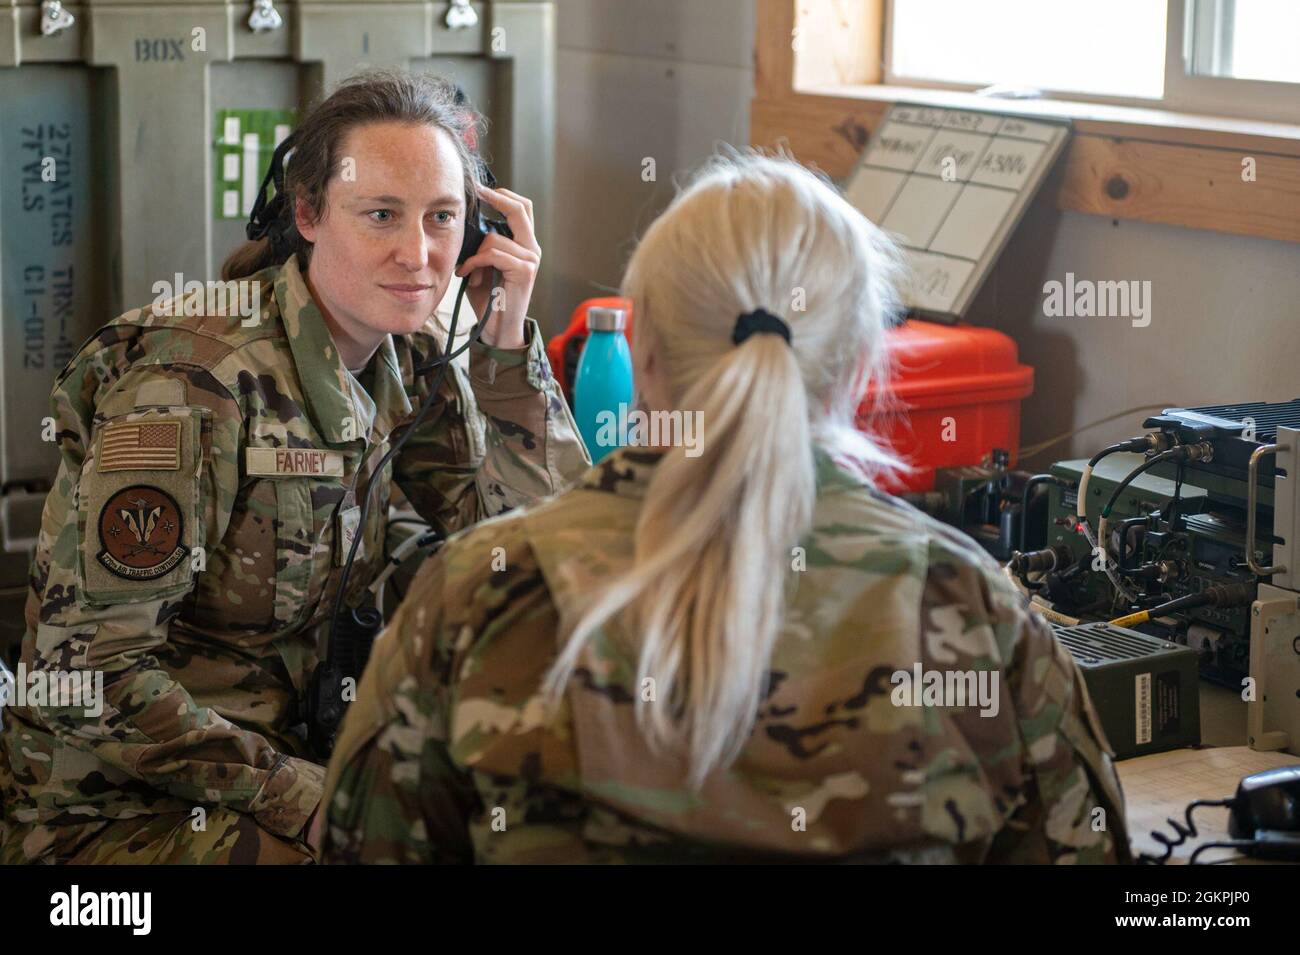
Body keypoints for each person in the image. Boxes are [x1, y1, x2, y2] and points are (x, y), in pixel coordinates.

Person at [320, 153, 1132, 865]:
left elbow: (365, 843)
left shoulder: (476, 595)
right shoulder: (974, 609)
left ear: (637, 355)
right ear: (856, 369)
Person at [0, 70, 589, 864]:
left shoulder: (414, 359)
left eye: (443, 218)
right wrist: (314, 798)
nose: (418, 254)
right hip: (114, 816)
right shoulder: (192, 383)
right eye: (380, 215)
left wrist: (509, 348)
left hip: (298, 766)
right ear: (308, 215)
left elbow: (533, 567)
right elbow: (87, 675)